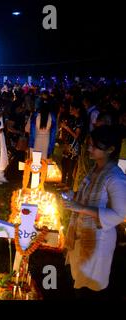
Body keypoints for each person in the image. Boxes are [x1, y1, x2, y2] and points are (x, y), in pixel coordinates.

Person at [63, 126, 126, 299]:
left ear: (111, 149)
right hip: (81, 232)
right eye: (89, 144)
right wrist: (74, 197)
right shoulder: (96, 169)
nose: (89, 149)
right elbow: (88, 195)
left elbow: (120, 214)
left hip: (98, 240)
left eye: (95, 146)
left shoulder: (115, 177)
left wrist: (81, 208)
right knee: (78, 278)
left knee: (88, 286)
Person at [59, 101, 86, 191]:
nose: (70, 110)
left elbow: (76, 136)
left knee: (71, 165)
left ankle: (68, 184)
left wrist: (67, 128)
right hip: (68, 144)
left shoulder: (80, 121)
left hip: (74, 146)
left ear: (77, 109)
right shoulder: (73, 119)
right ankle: (63, 181)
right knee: (64, 162)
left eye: (72, 108)